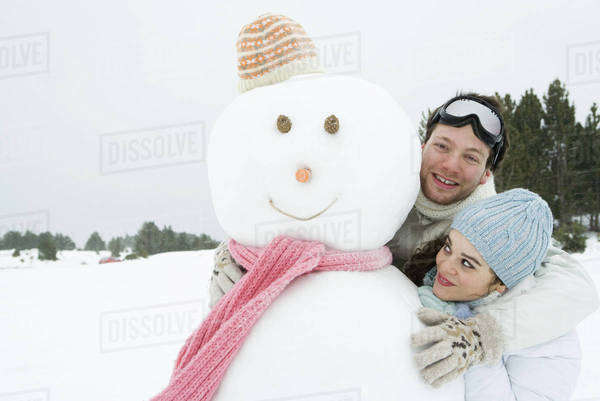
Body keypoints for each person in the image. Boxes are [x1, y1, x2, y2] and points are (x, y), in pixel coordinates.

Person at [208, 92, 598, 385]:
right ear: (421, 145)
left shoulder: (491, 227)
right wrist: (242, 252)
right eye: (442, 146)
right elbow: (306, 212)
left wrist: (481, 336)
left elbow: (576, 287)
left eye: (471, 157)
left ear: (485, 175)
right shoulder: (380, 190)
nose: (449, 165)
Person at [407, 188, 581, 400]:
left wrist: (467, 333)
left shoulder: (547, 338)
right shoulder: (448, 286)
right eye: (448, 248)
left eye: (466, 263)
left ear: (501, 284)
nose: (444, 265)